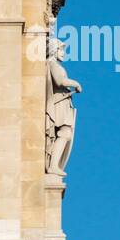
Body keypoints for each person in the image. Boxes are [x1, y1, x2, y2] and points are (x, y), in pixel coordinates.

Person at [46, 37, 82, 174]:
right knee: (64, 133)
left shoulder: (55, 65)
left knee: (65, 133)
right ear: (54, 50)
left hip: (62, 102)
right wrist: (76, 84)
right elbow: (60, 81)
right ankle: (53, 166)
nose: (63, 53)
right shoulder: (53, 64)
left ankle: (54, 165)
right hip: (59, 104)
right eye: (61, 49)